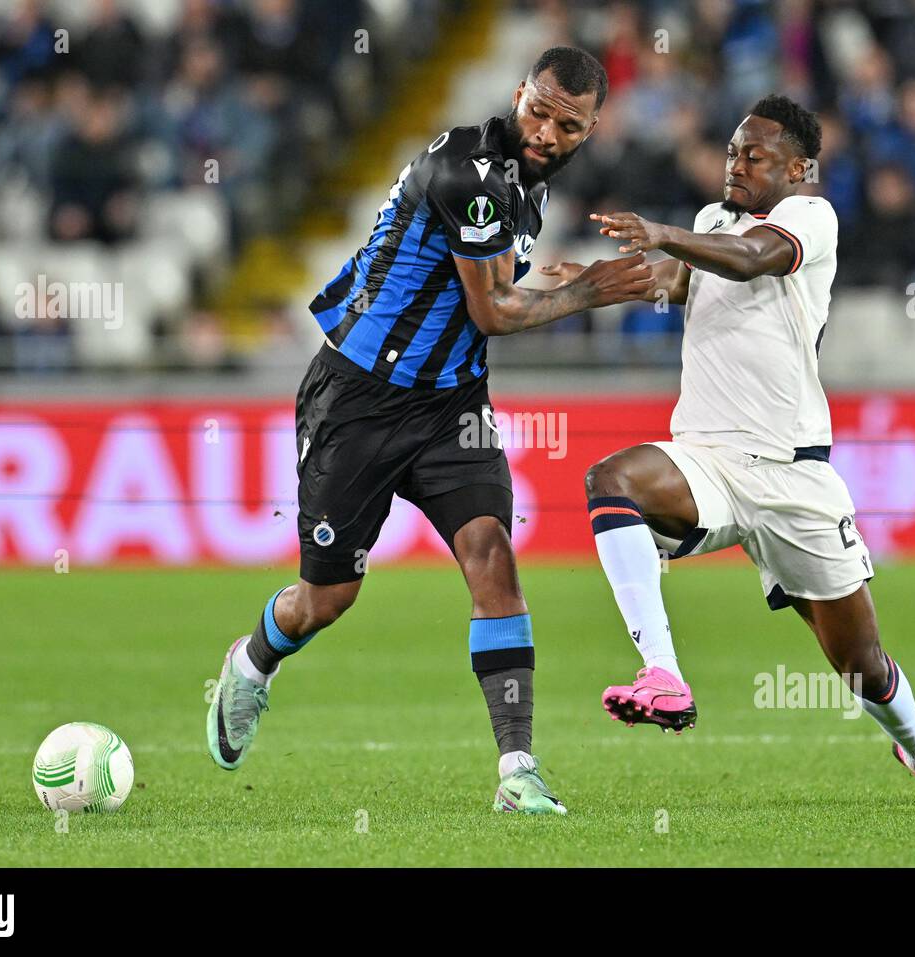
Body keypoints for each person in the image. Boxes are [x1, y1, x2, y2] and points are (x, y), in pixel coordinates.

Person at [206, 47, 654, 814]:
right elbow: (493, 312)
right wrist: (590, 289)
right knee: (329, 597)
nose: (545, 130)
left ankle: (518, 770)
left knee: (493, 556)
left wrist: (572, 276)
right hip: (359, 400)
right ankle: (250, 663)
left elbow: (504, 284)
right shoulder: (471, 173)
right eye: (538, 110)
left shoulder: (527, 189)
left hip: (451, 407)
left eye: (567, 123)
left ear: (590, 130)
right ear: (519, 93)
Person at [544, 93, 915, 805]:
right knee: (612, 478)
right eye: (731, 151)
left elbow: (754, 260)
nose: (736, 163)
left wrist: (661, 232)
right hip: (708, 458)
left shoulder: (810, 218)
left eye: (754, 155)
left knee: (859, 664)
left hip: (793, 475)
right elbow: (677, 280)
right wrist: (591, 285)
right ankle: (663, 672)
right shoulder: (709, 222)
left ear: (798, 166)